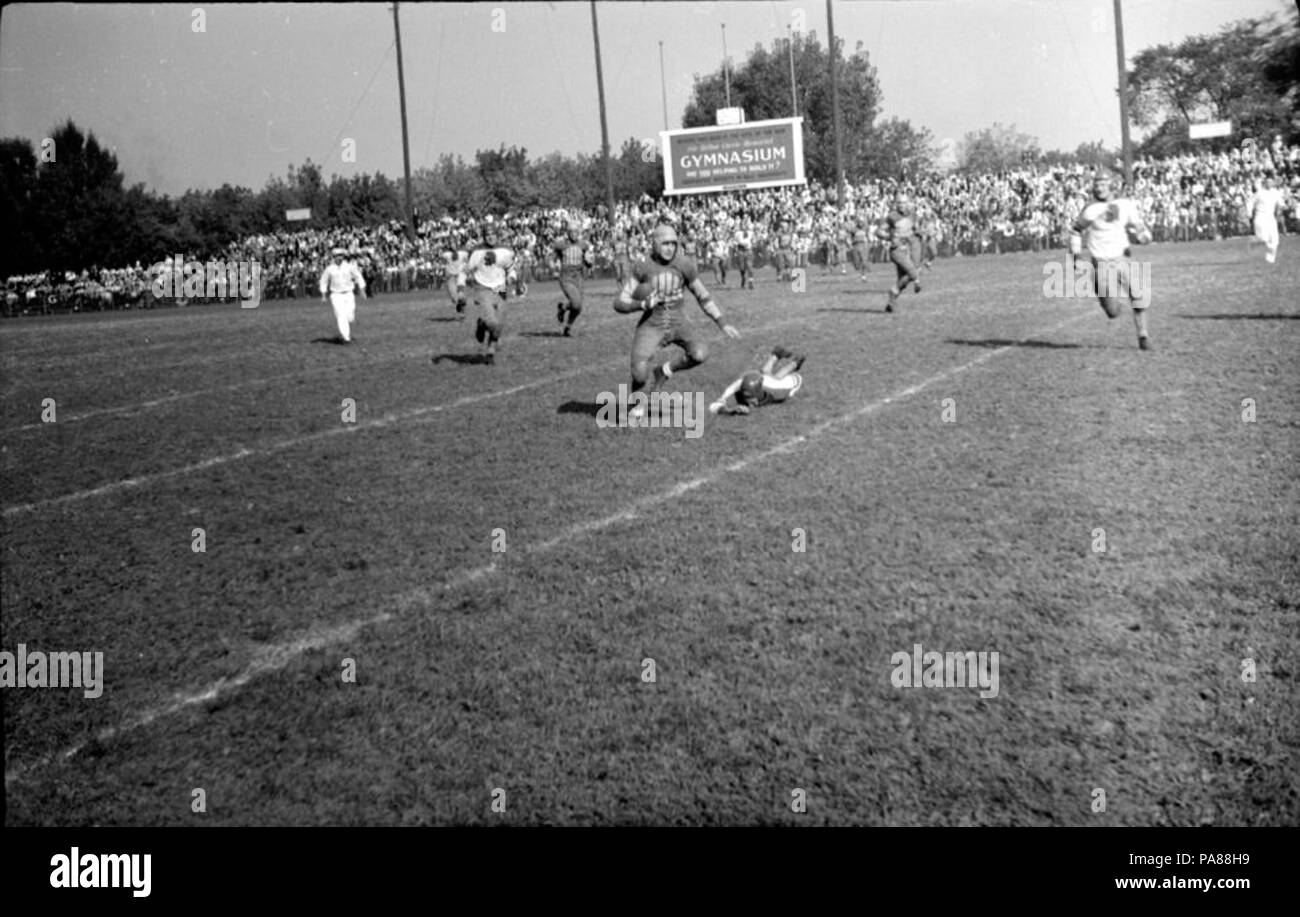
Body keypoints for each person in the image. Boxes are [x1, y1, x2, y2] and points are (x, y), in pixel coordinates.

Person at [613, 223, 740, 423]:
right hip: (653, 323)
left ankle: (664, 371)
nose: (670, 248)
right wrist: (642, 304)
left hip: (678, 320)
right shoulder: (642, 267)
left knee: (700, 354)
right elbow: (619, 302)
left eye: (673, 243)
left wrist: (722, 323)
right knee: (639, 374)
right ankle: (636, 403)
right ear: (654, 244)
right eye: (665, 243)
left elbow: (702, 295)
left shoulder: (684, 264)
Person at [1069, 170, 1155, 350]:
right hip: (1101, 262)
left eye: (1102, 184)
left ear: (1112, 185)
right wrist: (1076, 256)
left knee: (1139, 297)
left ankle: (1143, 336)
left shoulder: (1125, 204)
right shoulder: (1090, 209)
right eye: (1096, 184)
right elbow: (1076, 230)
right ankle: (1108, 300)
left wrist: (1144, 234)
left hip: (1122, 258)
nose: (1098, 188)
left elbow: (1137, 224)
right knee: (1113, 312)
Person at [465, 227, 517, 364]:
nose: (490, 237)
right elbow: (466, 270)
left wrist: (511, 278)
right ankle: (482, 324)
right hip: (483, 287)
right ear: (484, 236)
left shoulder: (505, 250)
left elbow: (511, 268)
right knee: (492, 323)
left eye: (493, 234)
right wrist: (460, 288)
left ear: (497, 235)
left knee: (499, 324)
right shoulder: (477, 251)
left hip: (500, 288)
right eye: (487, 234)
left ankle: (490, 353)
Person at [709, 346, 806, 415]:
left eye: (751, 399)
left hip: (773, 383)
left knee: (777, 378)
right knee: (765, 372)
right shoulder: (739, 386)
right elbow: (713, 407)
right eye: (746, 397)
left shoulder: (777, 391)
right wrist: (730, 409)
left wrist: (793, 375)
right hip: (756, 377)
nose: (750, 403)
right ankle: (776, 355)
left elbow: (797, 379)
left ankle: (796, 362)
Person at [877, 198, 921, 313]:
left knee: (903, 281)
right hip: (896, 250)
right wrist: (889, 237)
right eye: (899, 203)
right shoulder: (892, 217)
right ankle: (893, 291)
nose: (901, 205)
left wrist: (919, 232)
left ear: (908, 204)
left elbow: (915, 229)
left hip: (906, 249)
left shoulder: (912, 215)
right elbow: (878, 232)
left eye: (903, 202)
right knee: (913, 273)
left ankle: (890, 304)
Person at [551, 220, 594, 336]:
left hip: (578, 277)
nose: (574, 234)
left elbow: (589, 261)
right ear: (568, 232)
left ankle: (567, 325)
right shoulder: (561, 244)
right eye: (572, 231)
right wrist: (553, 266)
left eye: (576, 231)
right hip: (566, 277)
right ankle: (564, 309)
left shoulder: (583, 245)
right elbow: (551, 258)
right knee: (576, 303)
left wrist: (589, 262)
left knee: (578, 307)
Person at [319, 246, 366, 344]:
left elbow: (358, 277)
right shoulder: (329, 269)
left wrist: (362, 290)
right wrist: (323, 295)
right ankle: (346, 337)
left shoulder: (349, 267)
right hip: (336, 295)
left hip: (349, 294)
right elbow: (323, 281)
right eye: (337, 256)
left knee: (350, 316)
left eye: (341, 255)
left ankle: (347, 328)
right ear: (334, 257)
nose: (339, 258)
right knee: (341, 315)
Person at [1247, 176, 1285, 264]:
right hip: (1260, 217)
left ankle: (1270, 258)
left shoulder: (1275, 193)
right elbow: (1250, 202)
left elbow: (1281, 203)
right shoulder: (1259, 193)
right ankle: (1253, 242)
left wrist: (1282, 208)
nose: (1269, 184)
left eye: (1271, 182)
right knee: (1263, 238)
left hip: (1271, 218)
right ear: (1264, 183)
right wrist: (1249, 213)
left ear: (1273, 183)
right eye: (1267, 182)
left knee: (1275, 239)